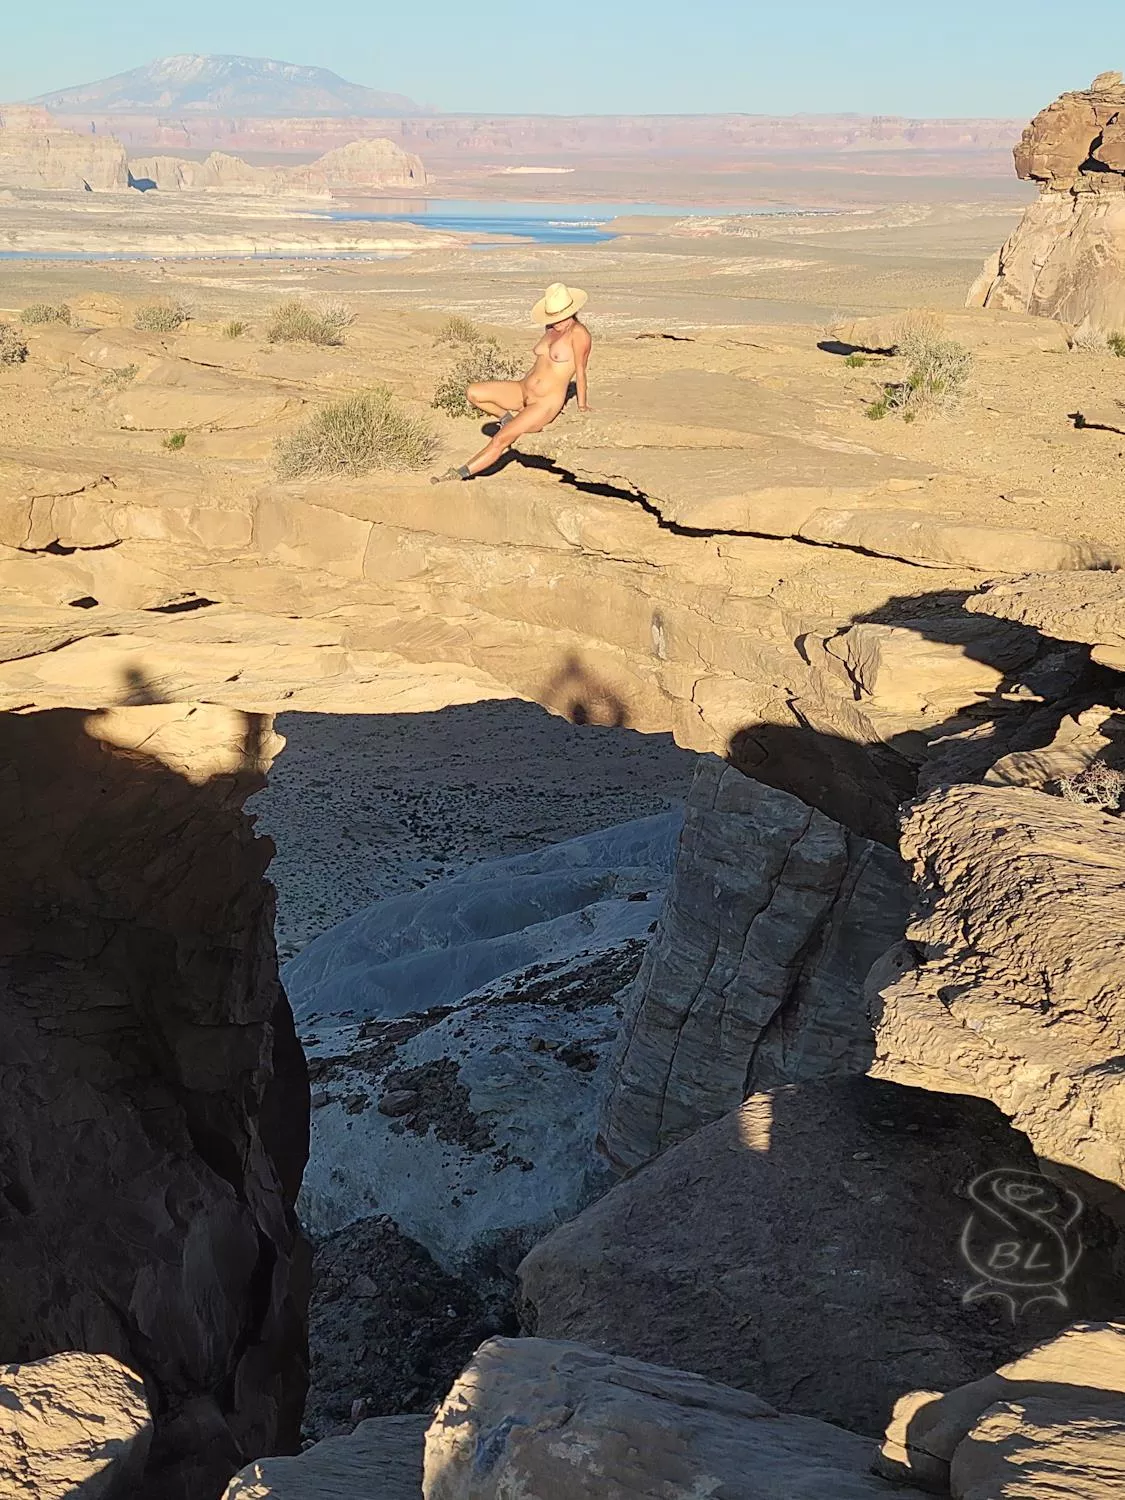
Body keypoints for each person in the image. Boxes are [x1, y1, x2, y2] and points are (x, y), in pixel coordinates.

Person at [431, 282, 592, 483]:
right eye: (553, 317)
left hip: (544, 403)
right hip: (522, 389)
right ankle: (506, 418)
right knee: (473, 392)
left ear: (572, 311)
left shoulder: (579, 334)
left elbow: (580, 371)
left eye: (561, 317)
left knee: (501, 439)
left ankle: (459, 473)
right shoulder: (550, 329)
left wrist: (582, 405)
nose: (556, 322)